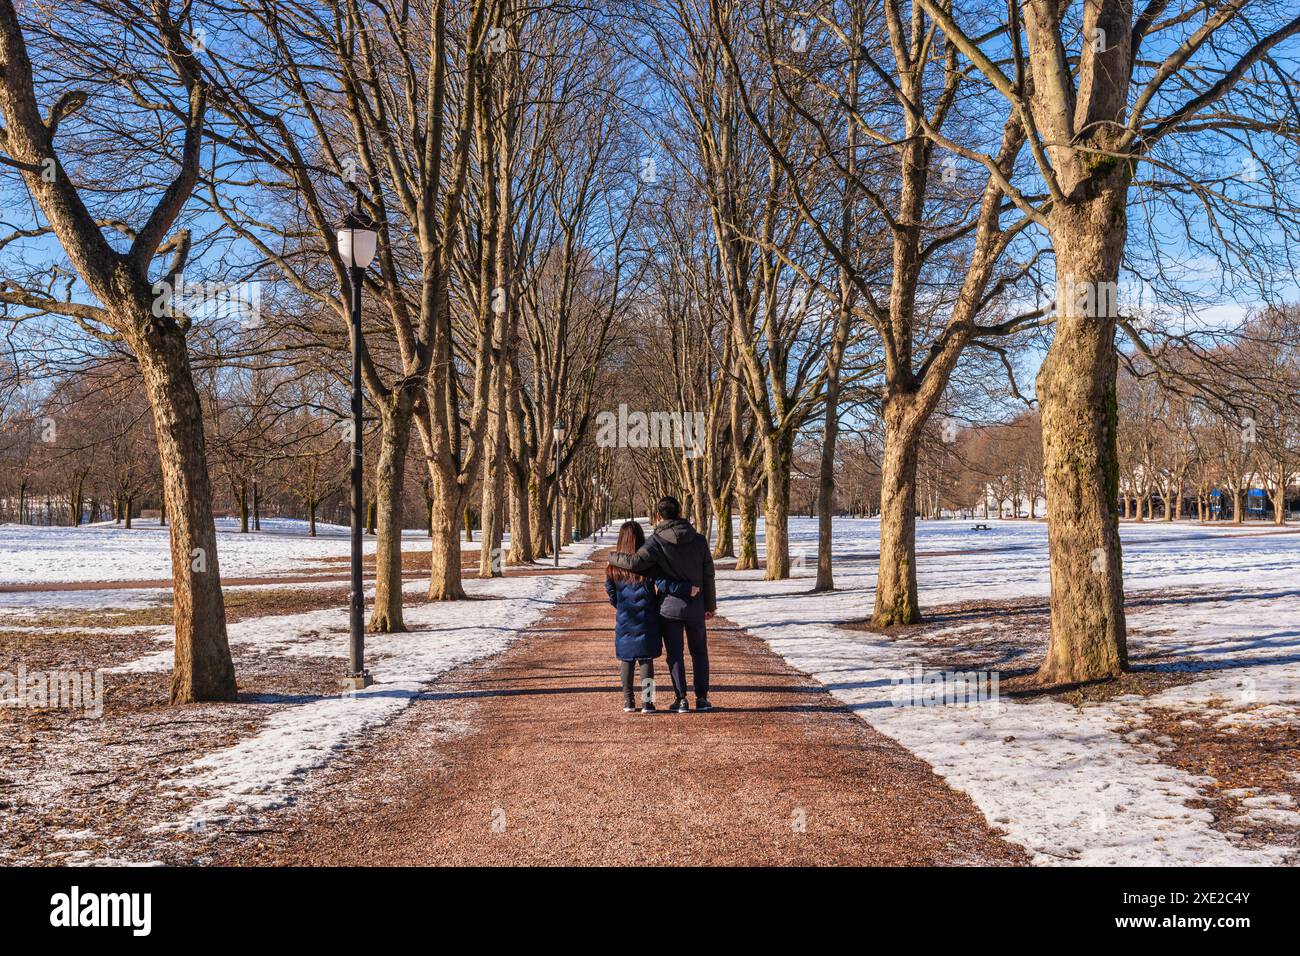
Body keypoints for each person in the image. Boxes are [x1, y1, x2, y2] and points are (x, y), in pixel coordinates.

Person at [607, 496, 716, 713]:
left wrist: (612, 557)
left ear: (658, 516)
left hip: (669, 608)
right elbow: (708, 575)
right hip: (696, 606)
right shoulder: (699, 540)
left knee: (674, 654)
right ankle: (701, 698)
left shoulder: (657, 542)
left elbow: (635, 563)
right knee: (699, 652)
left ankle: (680, 698)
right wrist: (709, 605)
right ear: (680, 512)